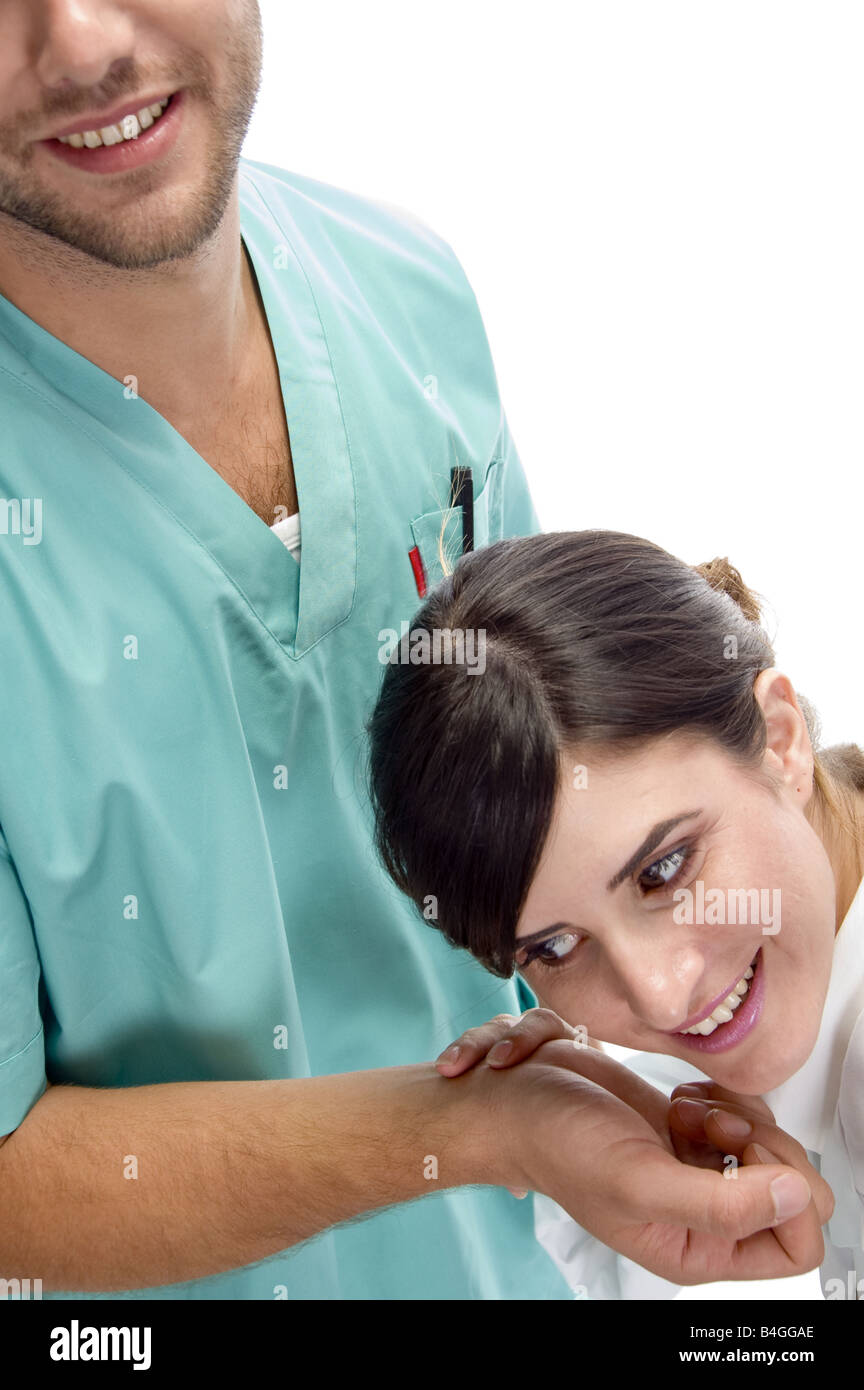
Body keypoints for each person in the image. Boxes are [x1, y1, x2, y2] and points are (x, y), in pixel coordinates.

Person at [0, 1, 828, 1300]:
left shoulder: (407, 300)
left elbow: (564, 857)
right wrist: (484, 1130)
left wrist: (589, 1116)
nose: (82, 43)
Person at [365, 529, 863, 1297]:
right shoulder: (684, 1086)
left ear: (780, 741)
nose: (661, 994)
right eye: (557, 948)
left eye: (664, 870)